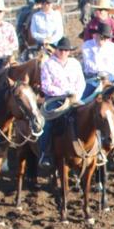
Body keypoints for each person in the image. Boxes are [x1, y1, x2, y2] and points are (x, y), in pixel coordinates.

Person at [37, 36, 86, 165]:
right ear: (56, 50)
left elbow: (81, 82)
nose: (63, 52)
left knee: (89, 115)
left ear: (69, 51)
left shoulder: (75, 63)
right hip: (55, 99)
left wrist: (76, 95)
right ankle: (45, 153)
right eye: (61, 50)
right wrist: (64, 93)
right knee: (47, 122)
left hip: (74, 98)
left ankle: (95, 151)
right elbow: (46, 86)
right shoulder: (48, 64)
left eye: (66, 50)